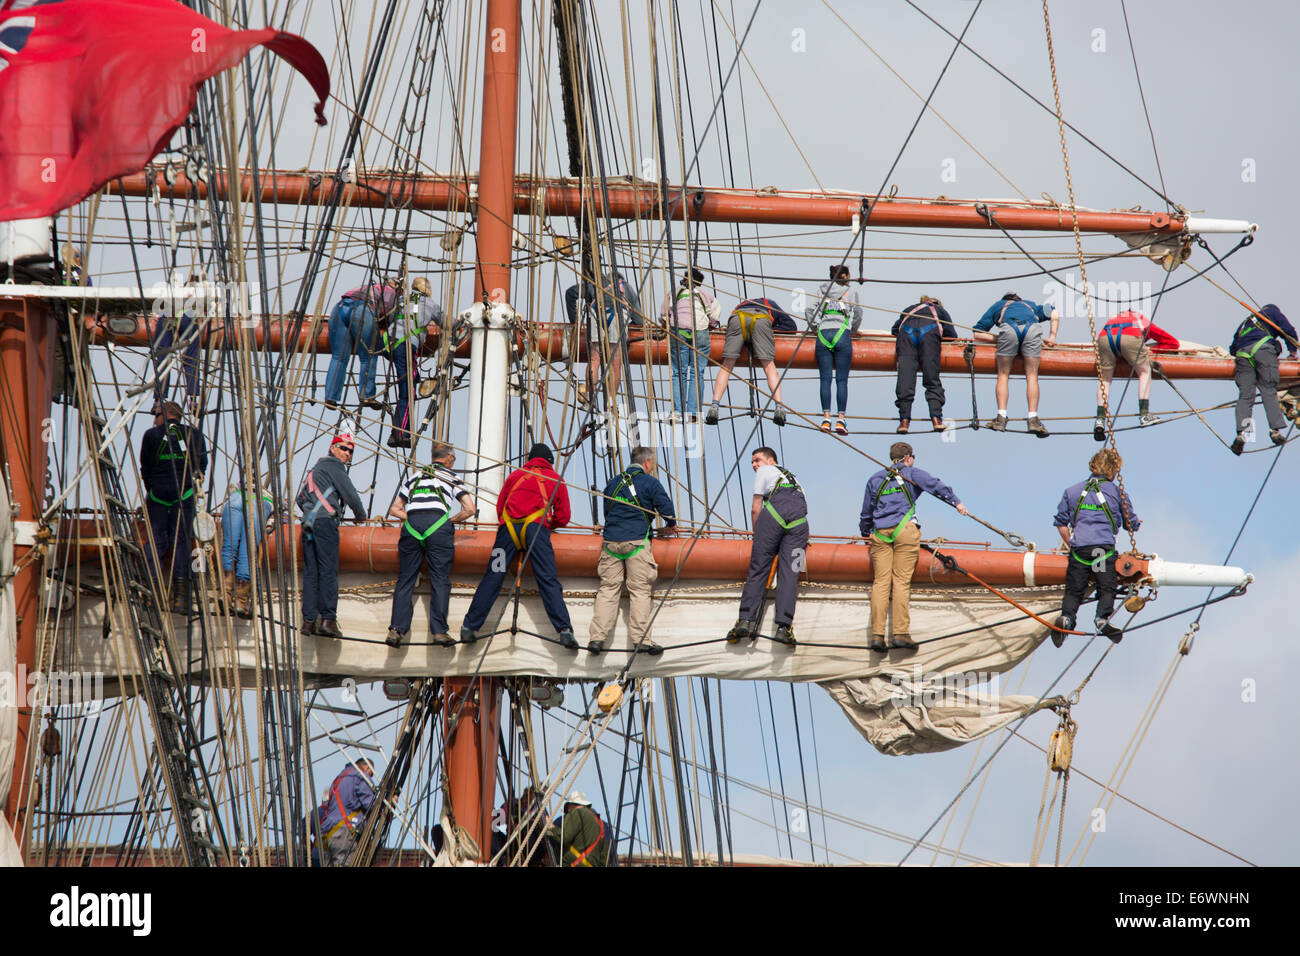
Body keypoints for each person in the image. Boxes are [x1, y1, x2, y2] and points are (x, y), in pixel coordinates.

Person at [460, 443, 578, 649]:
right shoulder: (555, 479)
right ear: (549, 462)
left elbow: (500, 508)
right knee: (547, 578)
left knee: (493, 575)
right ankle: (564, 630)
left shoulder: (515, 476)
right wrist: (547, 523)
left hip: (507, 533)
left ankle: (469, 627)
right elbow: (564, 516)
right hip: (535, 532)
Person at [859, 443, 967, 652]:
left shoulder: (875, 479)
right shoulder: (911, 473)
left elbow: (866, 513)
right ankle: (900, 633)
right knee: (900, 582)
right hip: (904, 529)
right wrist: (957, 503)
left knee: (881, 583)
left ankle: (877, 636)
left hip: (880, 534)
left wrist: (866, 535)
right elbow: (935, 485)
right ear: (908, 457)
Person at [588, 446, 677, 656]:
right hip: (636, 542)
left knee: (608, 590)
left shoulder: (612, 483)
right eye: (652, 464)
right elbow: (667, 509)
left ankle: (596, 638)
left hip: (611, 542)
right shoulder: (650, 482)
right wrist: (670, 524)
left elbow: (607, 512)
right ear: (647, 463)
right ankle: (641, 640)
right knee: (639, 591)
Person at [385, 442, 476, 648]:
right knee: (440, 580)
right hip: (438, 525)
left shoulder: (414, 477)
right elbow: (470, 509)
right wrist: (450, 521)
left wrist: (415, 517)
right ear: (450, 459)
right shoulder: (451, 477)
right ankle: (439, 632)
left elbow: (394, 509)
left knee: (406, 579)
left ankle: (396, 630)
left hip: (412, 526)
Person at [1052, 448, 1141, 644]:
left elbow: (1061, 523)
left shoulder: (1072, 491)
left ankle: (1067, 618)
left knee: (1074, 590)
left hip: (1079, 552)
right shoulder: (1117, 493)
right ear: (1114, 469)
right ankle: (1102, 618)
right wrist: (1136, 523)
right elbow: (1130, 524)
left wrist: (1071, 543)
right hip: (1101, 551)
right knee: (1107, 587)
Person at [726, 447, 808, 648]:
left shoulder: (766, 471)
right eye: (752, 462)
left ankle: (745, 620)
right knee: (791, 573)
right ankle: (784, 627)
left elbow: (756, 507)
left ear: (771, 461)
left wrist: (758, 533)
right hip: (800, 526)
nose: (754, 465)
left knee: (759, 568)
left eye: (757, 460)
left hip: (773, 518)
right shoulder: (796, 480)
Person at [296, 433, 368, 638]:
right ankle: (328, 619)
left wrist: (312, 508)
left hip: (308, 524)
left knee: (311, 572)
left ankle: (308, 621)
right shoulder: (335, 467)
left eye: (351, 451)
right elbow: (351, 495)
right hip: (325, 523)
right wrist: (361, 516)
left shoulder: (314, 470)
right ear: (333, 448)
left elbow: (299, 499)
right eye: (344, 448)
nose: (348, 454)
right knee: (328, 571)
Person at [140, 401, 208, 614]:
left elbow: (146, 467)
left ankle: (153, 594)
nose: (154, 419)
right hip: (184, 495)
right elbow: (201, 466)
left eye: (156, 414)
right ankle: (180, 596)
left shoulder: (151, 435)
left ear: (168, 414)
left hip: (158, 496)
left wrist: (153, 489)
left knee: (156, 541)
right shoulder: (195, 435)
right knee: (180, 542)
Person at [972, 292, 1060, 436]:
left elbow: (977, 333)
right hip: (1032, 329)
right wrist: (1052, 337)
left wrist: (1000, 340)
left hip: (1009, 329)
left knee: (1003, 375)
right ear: (1019, 300)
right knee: (1032, 376)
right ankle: (1033, 419)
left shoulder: (998, 306)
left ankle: (1001, 417)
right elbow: (1054, 312)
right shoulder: (1030, 304)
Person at [1092, 309, 1180, 440]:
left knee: (1105, 379)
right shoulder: (1142, 320)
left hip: (1105, 338)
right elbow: (1173, 343)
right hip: (1130, 338)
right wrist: (1148, 349)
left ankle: (1100, 419)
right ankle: (1144, 415)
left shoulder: (1114, 318)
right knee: (1145, 372)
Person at [706, 294, 788, 428]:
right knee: (769, 366)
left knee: (727, 366)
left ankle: (714, 407)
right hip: (761, 319)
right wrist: (769, 330)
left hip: (738, 317)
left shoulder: (741, 305)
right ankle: (779, 407)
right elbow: (790, 325)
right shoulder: (770, 303)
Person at [382, 276, 445, 448]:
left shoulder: (402, 299)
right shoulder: (429, 303)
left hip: (390, 344)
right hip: (407, 347)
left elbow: (390, 315)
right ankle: (401, 433)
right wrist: (463, 322)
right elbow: (446, 322)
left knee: (409, 386)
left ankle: (400, 431)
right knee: (408, 393)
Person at [1228, 304, 1298, 455]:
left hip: (1243, 355)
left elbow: (1232, 348)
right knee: (1268, 390)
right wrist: (1292, 352)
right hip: (1263, 350)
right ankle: (1275, 431)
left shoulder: (1245, 322)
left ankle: (1243, 434)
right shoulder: (1272, 312)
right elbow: (1288, 331)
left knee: (1246, 396)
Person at [324, 277, 401, 412]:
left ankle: (331, 397)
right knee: (369, 356)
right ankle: (367, 395)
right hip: (362, 310)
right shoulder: (391, 292)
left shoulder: (368, 286)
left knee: (339, 357)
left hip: (339, 308)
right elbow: (391, 317)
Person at [806, 265, 863, 434]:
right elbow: (859, 313)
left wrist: (815, 327)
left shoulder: (821, 291)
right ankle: (840, 420)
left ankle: (825, 419)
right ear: (845, 276)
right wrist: (853, 329)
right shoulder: (850, 293)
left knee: (825, 379)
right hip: (842, 334)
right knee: (841, 380)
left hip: (823, 335)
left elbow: (809, 309)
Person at [659, 268, 719, 422]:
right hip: (699, 331)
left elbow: (664, 314)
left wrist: (667, 322)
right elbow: (714, 317)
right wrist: (711, 325)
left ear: (685, 279)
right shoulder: (705, 294)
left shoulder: (675, 292)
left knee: (679, 373)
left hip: (678, 330)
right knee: (697, 373)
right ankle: (694, 413)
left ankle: (677, 412)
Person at [892, 295, 957, 433]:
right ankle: (936, 418)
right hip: (928, 335)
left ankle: (904, 421)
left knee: (905, 379)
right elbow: (951, 335)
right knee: (931, 379)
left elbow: (894, 330)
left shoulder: (908, 309)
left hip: (906, 336)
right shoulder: (940, 311)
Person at [219, 476, 276, 619]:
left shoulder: (236, 490)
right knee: (247, 553)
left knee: (229, 547)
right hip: (260, 504)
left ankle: (225, 595)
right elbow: (279, 517)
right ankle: (240, 601)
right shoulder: (271, 497)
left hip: (236, 499)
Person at [314, 758, 377, 866]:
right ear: (367, 767)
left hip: (326, 833)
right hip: (343, 833)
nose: (370, 778)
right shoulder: (360, 776)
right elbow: (371, 804)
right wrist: (387, 804)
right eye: (370, 774)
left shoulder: (339, 778)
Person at [546, 790, 609, 867]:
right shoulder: (599, 823)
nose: (568, 813)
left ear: (570, 806)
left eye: (567, 811)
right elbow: (604, 858)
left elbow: (564, 837)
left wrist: (551, 828)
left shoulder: (577, 812)